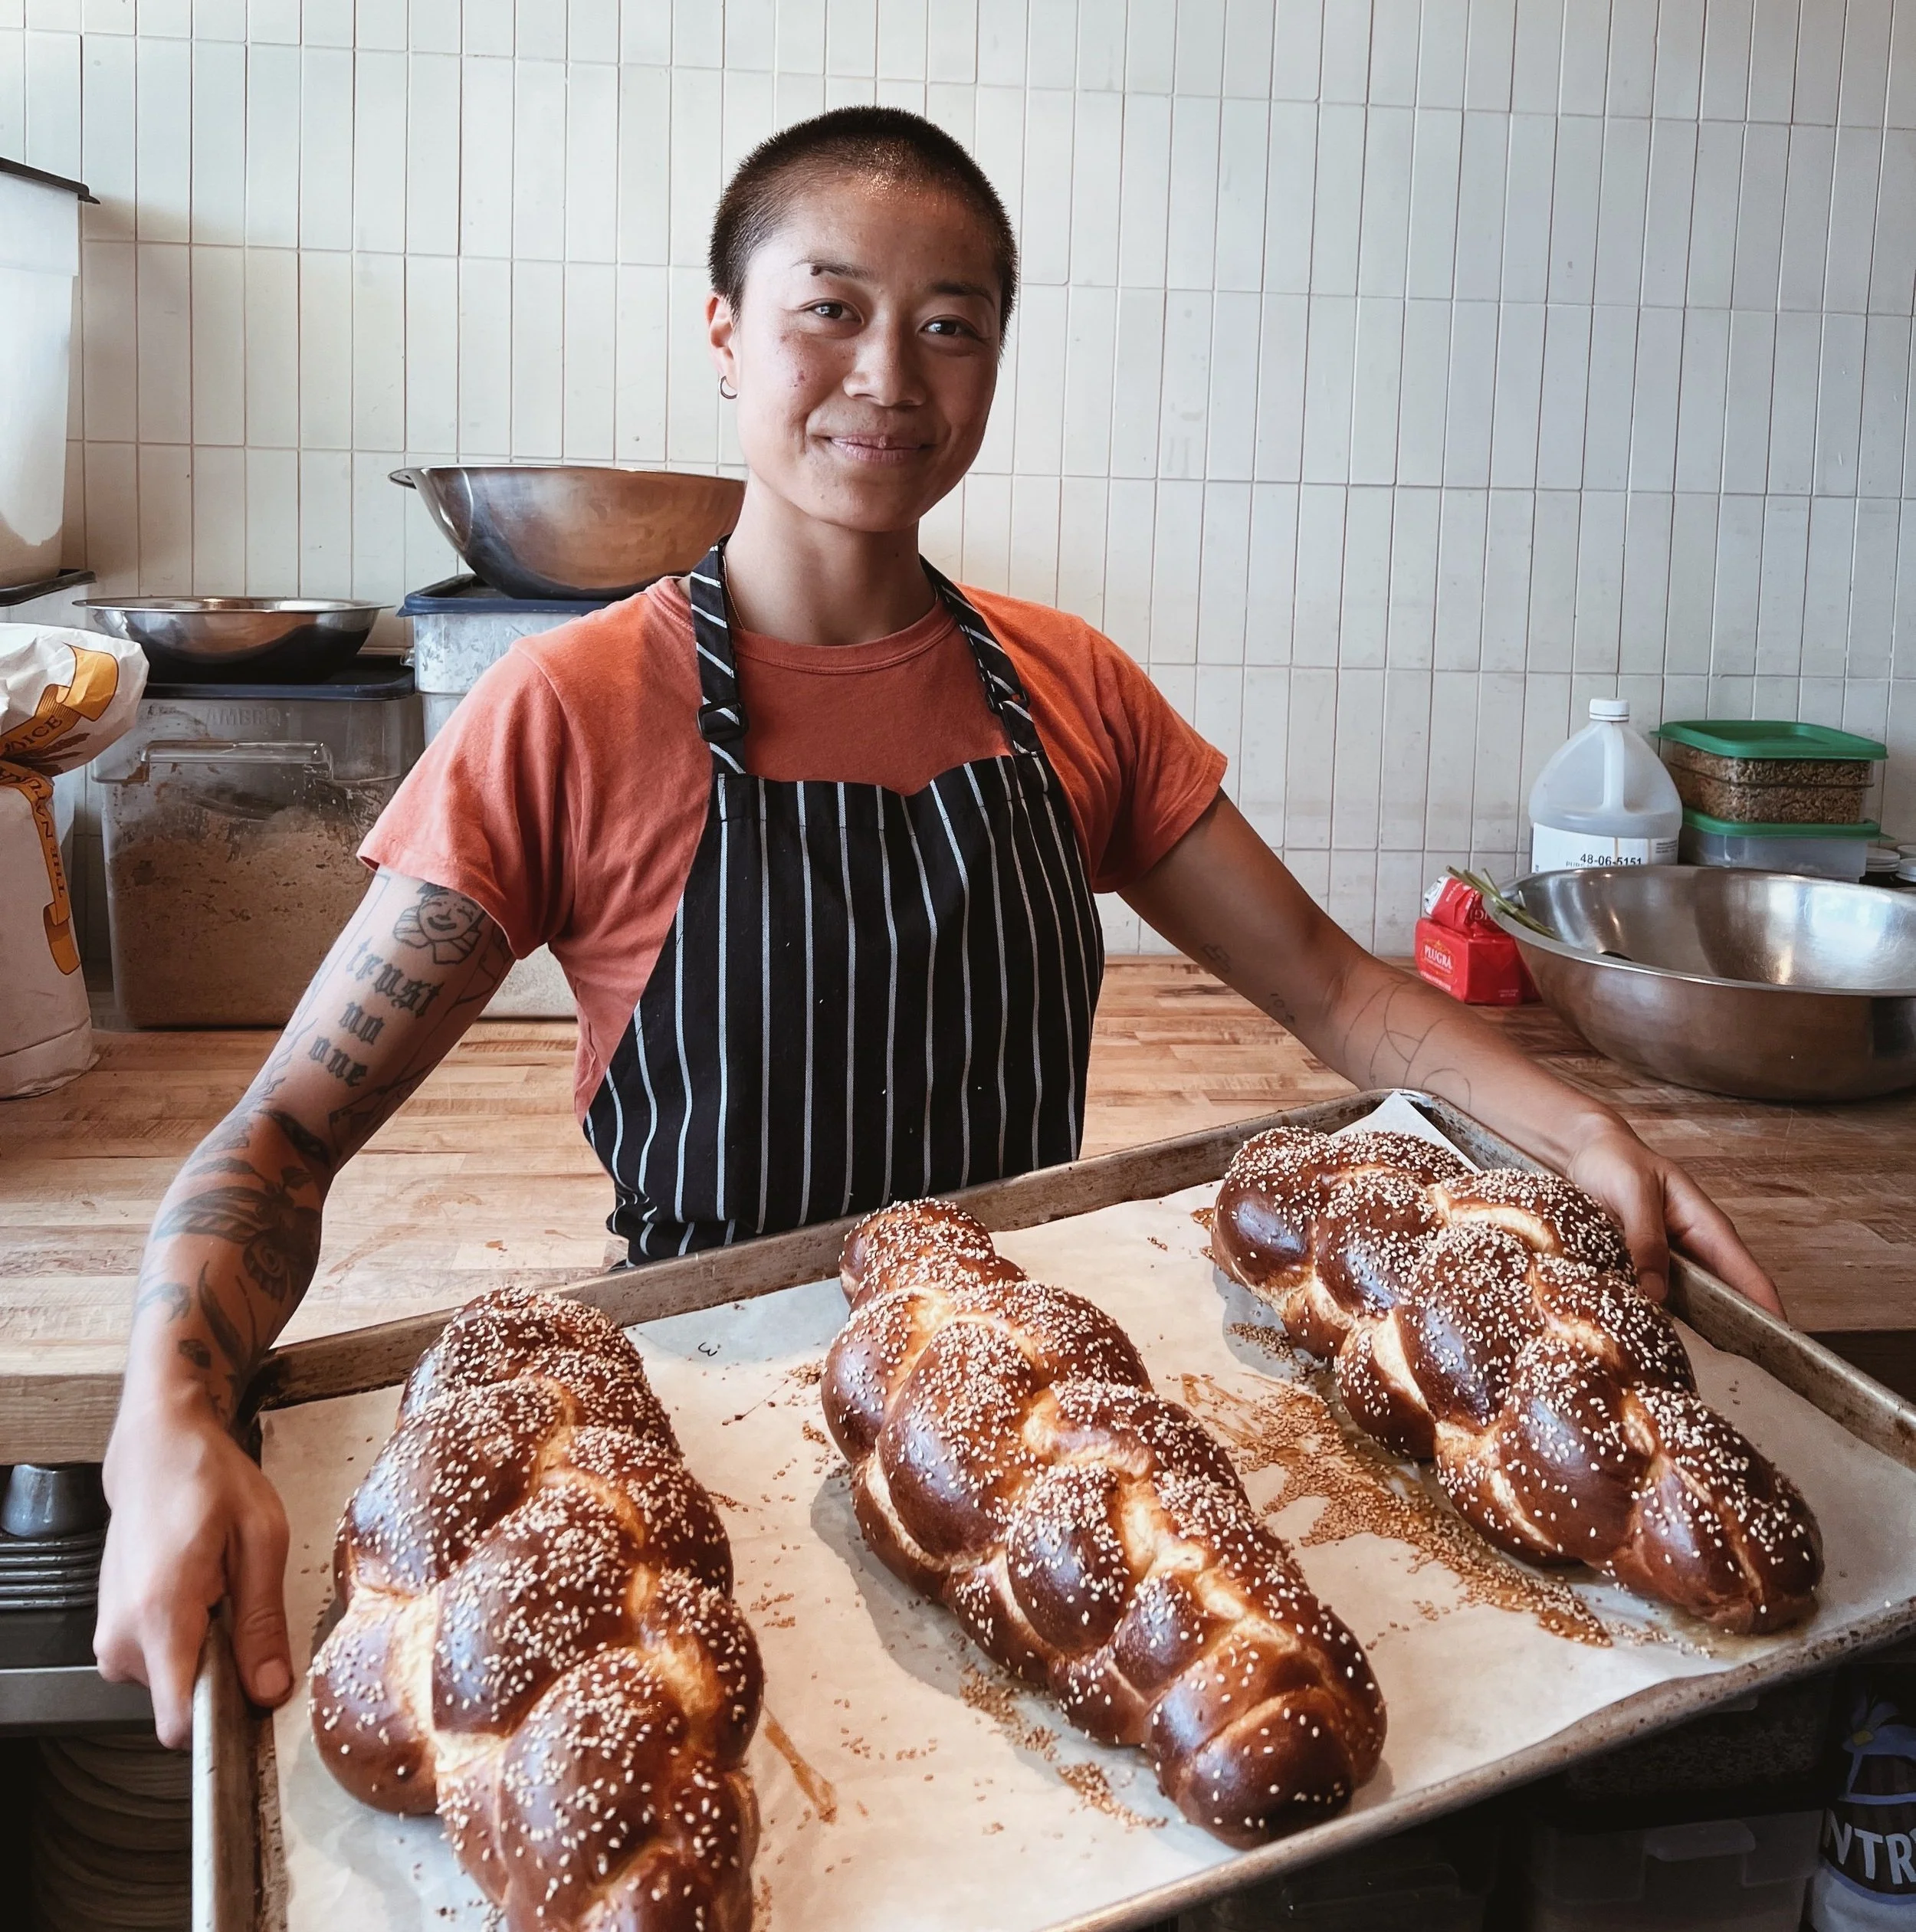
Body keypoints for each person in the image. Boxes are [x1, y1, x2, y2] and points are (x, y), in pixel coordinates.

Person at [94, 107, 1782, 1750]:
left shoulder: (1070, 691)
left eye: (950, 325)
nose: (889, 375)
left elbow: (1339, 994)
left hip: (1023, 1438)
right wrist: (161, 1420)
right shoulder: (571, 710)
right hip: (696, 1452)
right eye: (829, 310)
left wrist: (1575, 1129)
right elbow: (284, 1140)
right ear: (727, 337)